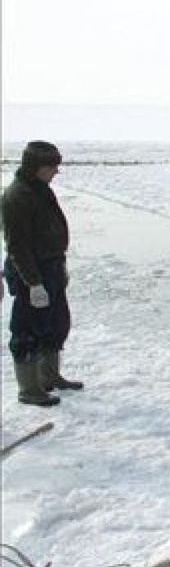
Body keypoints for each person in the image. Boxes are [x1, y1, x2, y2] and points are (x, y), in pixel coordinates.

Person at [2, 141, 83, 407]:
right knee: (28, 329)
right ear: (35, 167)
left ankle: (49, 376)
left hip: (51, 267)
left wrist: (59, 267)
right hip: (31, 272)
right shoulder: (17, 197)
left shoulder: (40, 190)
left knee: (56, 322)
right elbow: (17, 246)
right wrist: (33, 283)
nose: (56, 171)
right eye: (51, 166)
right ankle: (29, 388)